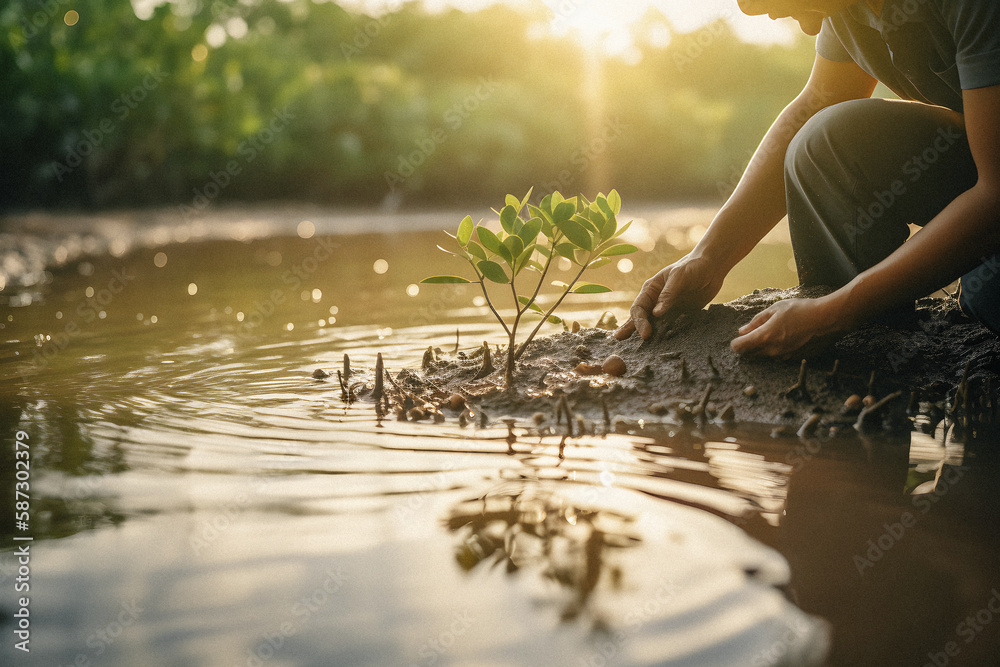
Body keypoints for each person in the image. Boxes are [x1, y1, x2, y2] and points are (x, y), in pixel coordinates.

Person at [614, 0, 1000, 358]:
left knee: (990, 301)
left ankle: (843, 318)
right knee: (825, 140)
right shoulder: (846, 10)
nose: (749, 11)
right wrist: (709, 256)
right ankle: (871, 346)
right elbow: (820, 98)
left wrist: (834, 313)